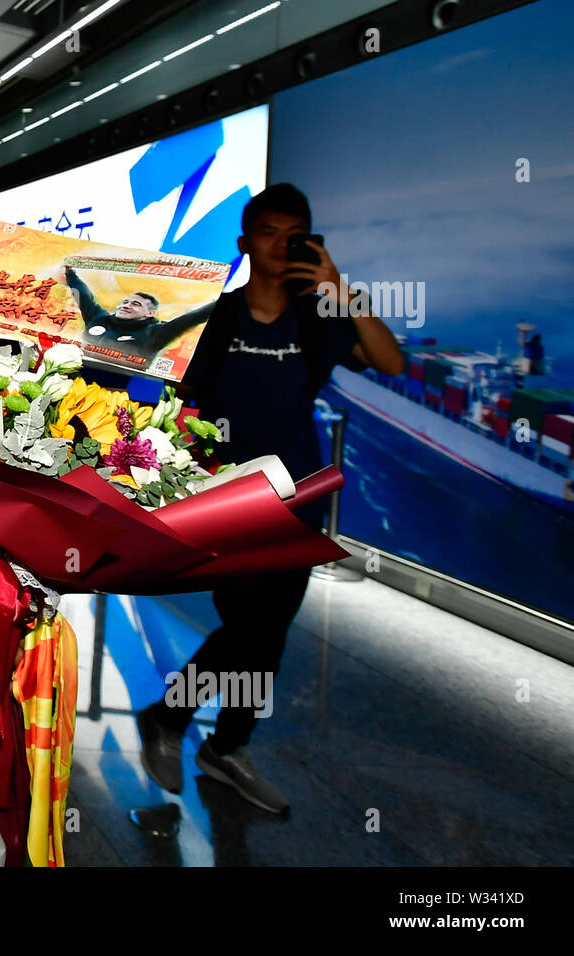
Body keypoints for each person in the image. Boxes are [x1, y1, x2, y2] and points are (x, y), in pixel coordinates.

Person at [134, 184, 404, 813]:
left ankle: (221, 744)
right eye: (269, 232)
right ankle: (182, 726)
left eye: (296, 233)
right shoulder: (216, 318)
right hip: (229, 502)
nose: (282, 244)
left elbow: (390, 360)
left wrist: (337, 287)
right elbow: (171, 390)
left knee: (269, 634)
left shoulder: (319, 316)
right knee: (250, 626)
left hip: (298, 499)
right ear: (244, 243)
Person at [63, 265, 214, 364]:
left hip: (120, 389)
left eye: (136, 304)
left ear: (150, 313)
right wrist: (70, 273)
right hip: (75, 375)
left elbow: (193, 318)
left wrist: (220, 300)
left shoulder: (155, 333)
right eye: (125, 302)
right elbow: (83, 294)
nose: (126, 306)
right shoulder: (99, 317)